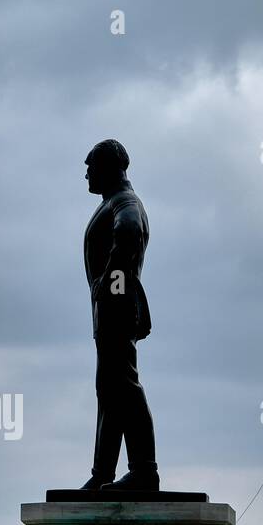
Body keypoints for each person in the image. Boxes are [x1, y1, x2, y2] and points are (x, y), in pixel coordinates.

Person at [79, 139, 158, 491]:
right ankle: (102, 475)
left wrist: (109, 282)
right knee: (109, 390)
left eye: (90, 167)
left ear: (109, 167)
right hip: (109, 309)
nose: (86, 174)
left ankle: (144, 470)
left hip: (117, 306)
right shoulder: (112, 202)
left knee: (123, 386)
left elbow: (127, 232)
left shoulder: (125, 202)